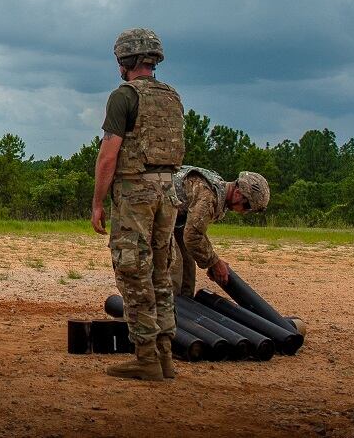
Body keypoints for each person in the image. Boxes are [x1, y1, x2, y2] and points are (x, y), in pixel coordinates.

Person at [90, 28, 185, 382]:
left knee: (133, 271)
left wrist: (98, 202)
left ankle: (145, 356)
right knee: (161, 272)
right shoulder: (172, 97)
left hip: (135, 192)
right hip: (169, 191)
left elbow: (108, 155)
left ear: (124, 62)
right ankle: (164, 356)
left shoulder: (124, 96)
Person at [170, 167, 271, 296]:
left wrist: (212, 261)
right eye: (247, 206)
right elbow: (192, 236)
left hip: (171, 219)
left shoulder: (218, 192)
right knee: (174, 267)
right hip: (152, 215)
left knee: (187, 267)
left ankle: (185, 308)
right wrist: (214, 262)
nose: (245, 212)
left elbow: (195, 230)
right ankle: (167, 310)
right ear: (238, 193)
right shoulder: (208, 195)